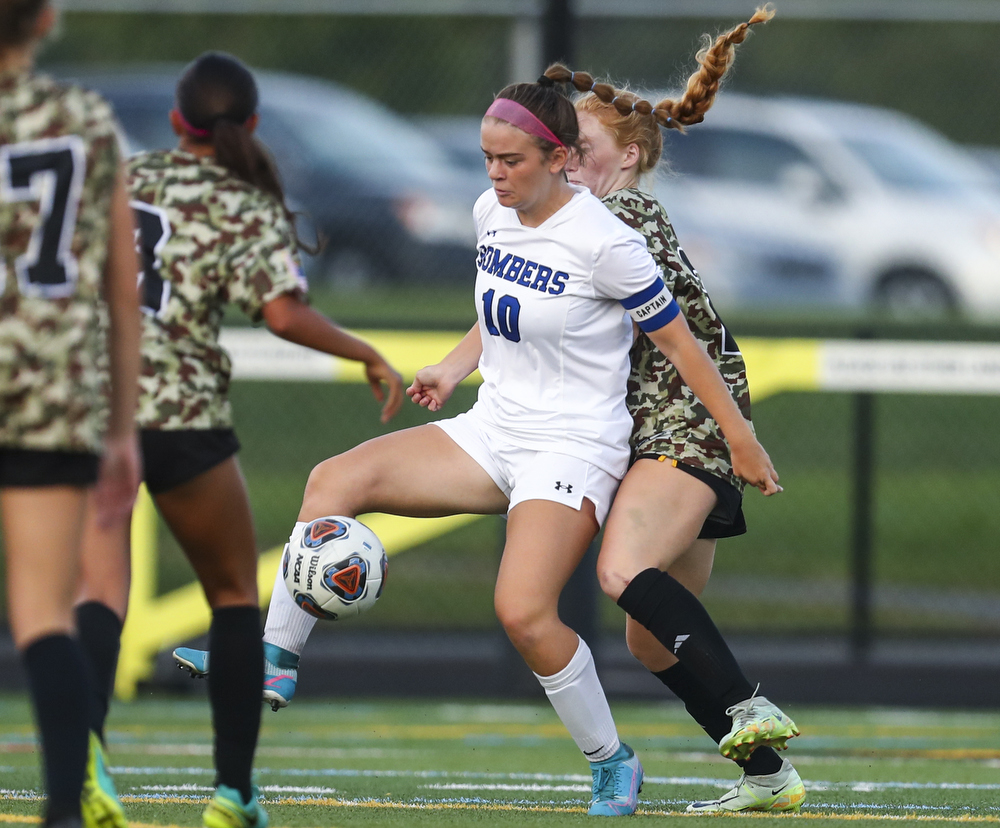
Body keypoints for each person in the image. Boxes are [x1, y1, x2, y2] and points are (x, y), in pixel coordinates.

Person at [178, 69, 781, 817]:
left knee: (524, 613)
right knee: (332, 481)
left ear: (559, 159)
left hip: (571, 448)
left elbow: (684, 346)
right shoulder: (488, 212)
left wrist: (740, 438)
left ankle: (612, 761)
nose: (495, 174)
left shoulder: (607, 240)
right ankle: (274, 661)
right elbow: (506, 311)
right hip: (492, 429)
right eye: (487, 158)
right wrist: (453, 366)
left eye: (512, 161)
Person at [73, 51, 405, 828]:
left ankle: (84, 750)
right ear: (249, 126)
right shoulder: (241, 199)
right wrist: (366, 352)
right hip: (184, 417)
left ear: (173, 122)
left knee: (96, 594)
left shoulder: (122, 179)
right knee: (230, 597)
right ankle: (232, 792)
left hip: (99, 412)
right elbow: (283, 315)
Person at [551, 6, 804, 815]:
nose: (563, 164)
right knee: (648, 635)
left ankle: (747, 707)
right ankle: (768, 775)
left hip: (684, 431)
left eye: (578, 150)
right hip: (679, 432)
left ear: (627, 157)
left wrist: (735, 434)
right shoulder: (606, 217)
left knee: (621, 573)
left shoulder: (617, 214)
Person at [1, 1, 142, 826]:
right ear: (46, 18)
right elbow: (120, 288)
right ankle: (62, 811)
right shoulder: (85, 119)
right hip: (50, 391)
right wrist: (121, 427)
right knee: (44, 618)